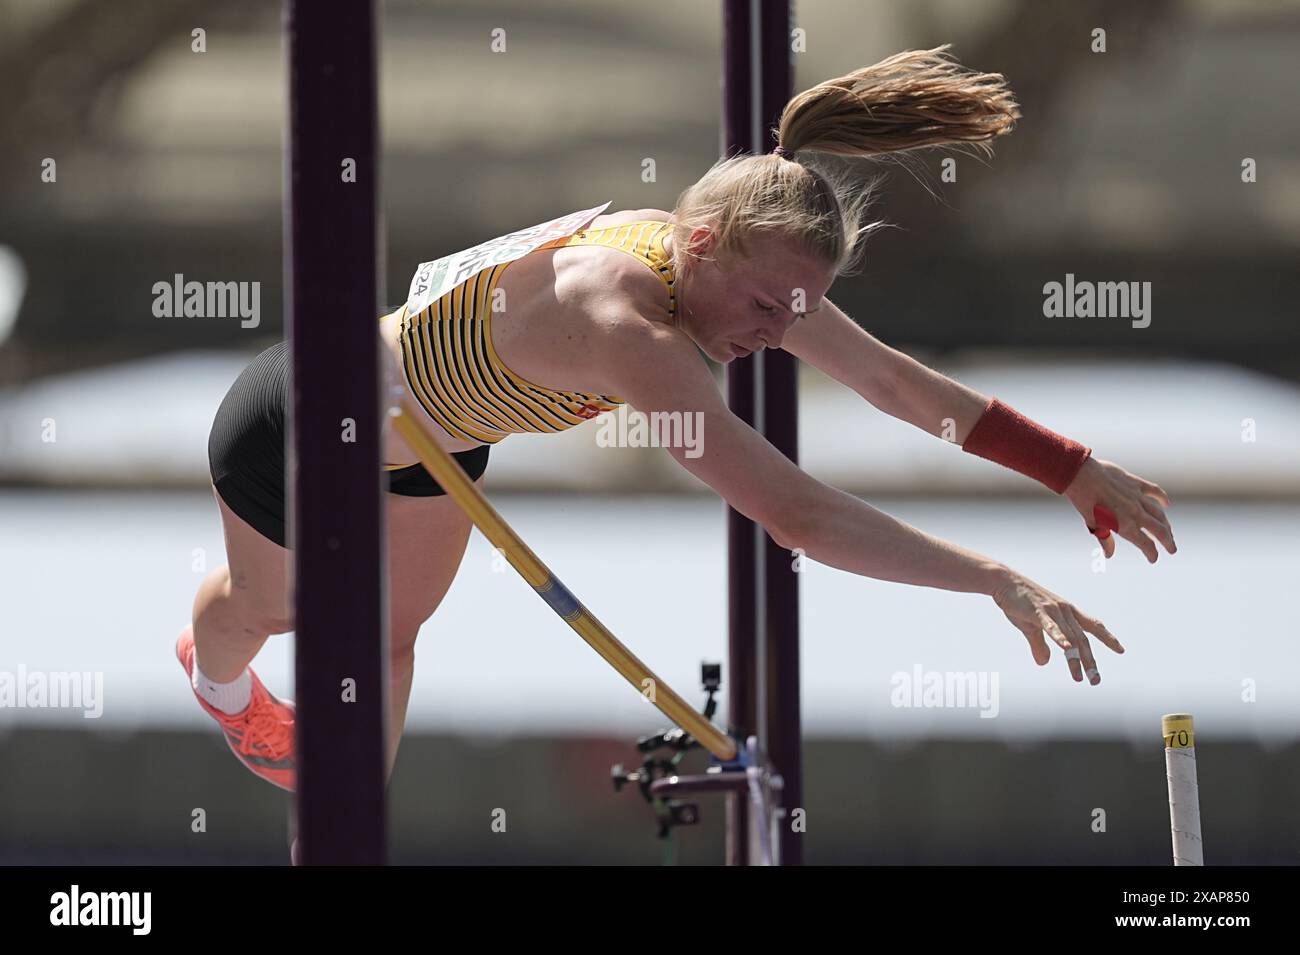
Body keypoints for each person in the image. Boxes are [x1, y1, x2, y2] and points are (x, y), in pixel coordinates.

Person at [179, 45, 1175, 792]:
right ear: (699, 244)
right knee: (283, 612)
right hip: (302, 424)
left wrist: (1068, 467)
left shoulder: (746, 268)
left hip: (425, 449)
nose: (776, 332)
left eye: (797, 311)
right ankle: (216, 681)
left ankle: (336, 823)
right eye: (763, 309)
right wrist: (989, 576)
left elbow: (896, 387)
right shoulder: (625, 327)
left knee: (388, 643)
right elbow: (798, 516)